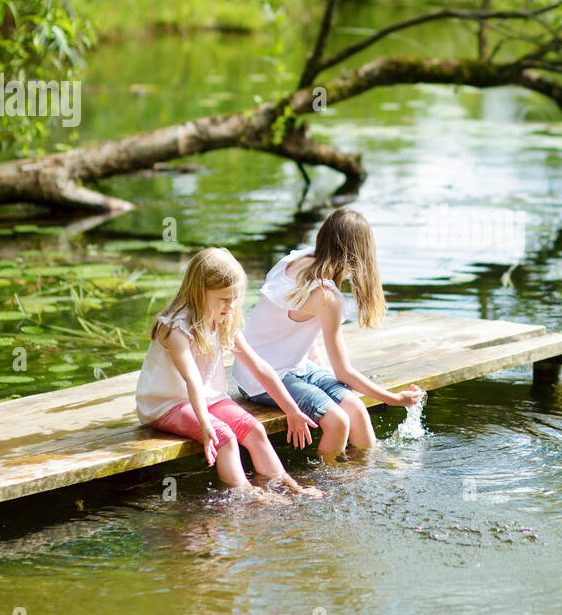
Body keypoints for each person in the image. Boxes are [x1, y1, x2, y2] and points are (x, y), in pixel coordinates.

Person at [233, 208, 424, 458]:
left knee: (356, 409)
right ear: (360, 254)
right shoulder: (326, 297)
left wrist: (321, 377)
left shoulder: (296, 259)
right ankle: (332, 484)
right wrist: (394, 399)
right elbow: (344, 371)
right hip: (260, 378)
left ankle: (368, 470)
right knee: (337, 422)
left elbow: (295, 329)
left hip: (291, 367)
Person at [135, 247, 322, 499]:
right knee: (225, 436)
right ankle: (248, 495)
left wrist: (291, 409)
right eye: (224, 299)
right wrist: (204, 424)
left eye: (235, 298)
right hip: (169, 403)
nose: (231, 305)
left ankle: (288, 486)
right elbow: (192, 380)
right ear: (200, 293)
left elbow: (258, 366)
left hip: (210, 398)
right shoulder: (176, 329)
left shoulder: (223, 319)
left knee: (254, 429)